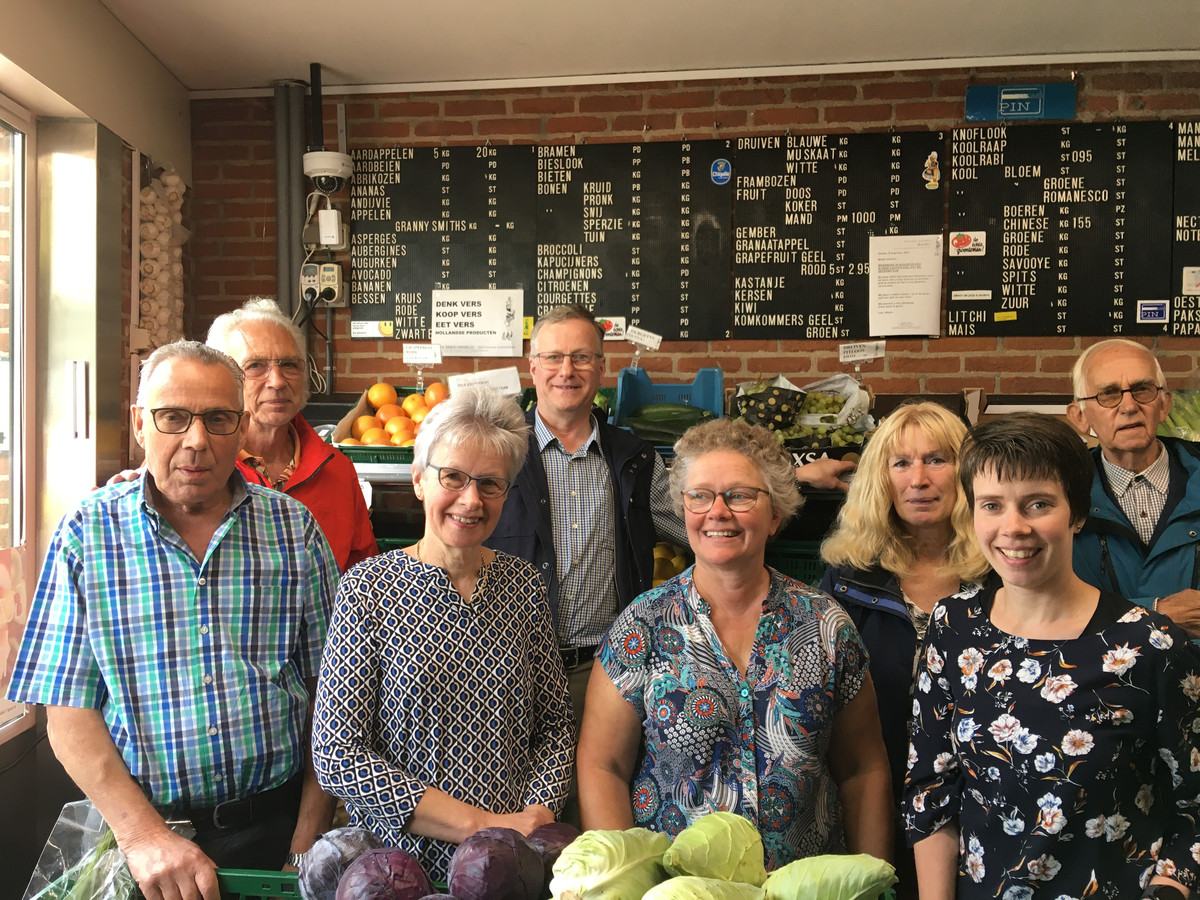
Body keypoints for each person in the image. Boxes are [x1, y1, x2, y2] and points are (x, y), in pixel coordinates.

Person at [7, 341, 340, 900]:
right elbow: (67, 712)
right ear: (141, 424)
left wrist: (307, 837)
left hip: (276, 830)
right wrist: (142, 835)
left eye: (217, 419)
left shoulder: (293, 530)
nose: (196, 441)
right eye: (173, 417)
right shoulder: (87, 536)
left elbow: (332, 696)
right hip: (139, 837)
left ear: (240, 428)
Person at [905, 413, 1200, 900]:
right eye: (992, 505)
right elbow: (931, 792)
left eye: (1038, 503)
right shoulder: (952, 626)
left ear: (1077, 513)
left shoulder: (1153, 647)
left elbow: (1193, 805)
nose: (1013, 528)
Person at [577, 417, 893, 870]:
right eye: (700, 495)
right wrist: (627, 882)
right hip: (676, 891)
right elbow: (601, 766)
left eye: (740, 495)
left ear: (776, 513)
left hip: (803, 888)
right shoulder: (642, 625)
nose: (717, 511)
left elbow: (863, 770)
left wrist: (870, 882)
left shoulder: (825, 625)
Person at [312, 386, 574, 883]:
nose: (471, 500)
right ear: (419, 481)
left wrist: (537, 812)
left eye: (491, 484)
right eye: (453, 477)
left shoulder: (524, 586)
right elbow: (336, 751)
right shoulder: (369, 589)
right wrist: (483, 827)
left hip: (506, 869)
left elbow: (555, 726)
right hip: (397, 872)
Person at [486, 304, 689, 724]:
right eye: (553, 358)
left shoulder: (636, 459)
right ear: (533, 366)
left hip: (605, 667)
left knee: (595, 783)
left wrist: (784, 485)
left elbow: (697, 527)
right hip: (507, 667)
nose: (567, 370)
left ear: (600, 367)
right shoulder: (496, 453)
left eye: (581, 357)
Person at [819, 401, 989, 898]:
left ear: (967, 472)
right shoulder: (847, 577)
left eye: (937, 460)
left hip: (979, 804)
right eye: (901, 463)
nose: (919, 479)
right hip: (872, 796)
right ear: (881, 479)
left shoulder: (1003, 572)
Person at [111, 298, 379, 572]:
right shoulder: (190, 470)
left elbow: (361, 574)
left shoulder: (337, 471)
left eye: (289, 364)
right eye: (255, 366)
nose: (277, 381)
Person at [1066, 338, 1200, 634]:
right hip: (1102, 676)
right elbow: (1044, 607)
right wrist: (1154, 612)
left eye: (1142, 390)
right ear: (1080, 417)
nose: (1129, 406)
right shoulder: (1060, 496)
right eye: (1108, 394)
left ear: (1164, 405)